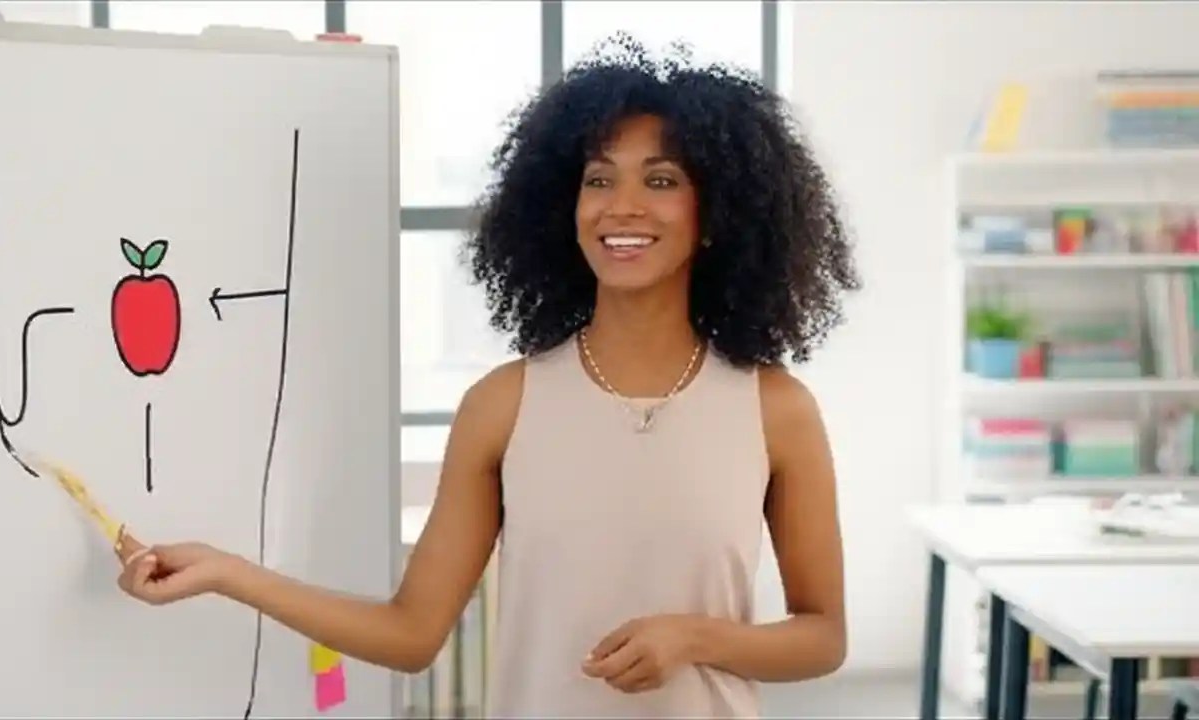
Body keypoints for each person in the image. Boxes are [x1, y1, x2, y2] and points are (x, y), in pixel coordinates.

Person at [116, 32, 860, 718]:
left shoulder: (775, 410)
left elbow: (823, 636)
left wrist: (695, 638)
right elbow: (411, 634)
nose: (622, 206)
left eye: (661, 180)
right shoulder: (504, 405)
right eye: (599, 179)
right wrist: (228, 573)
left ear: (718, 213)